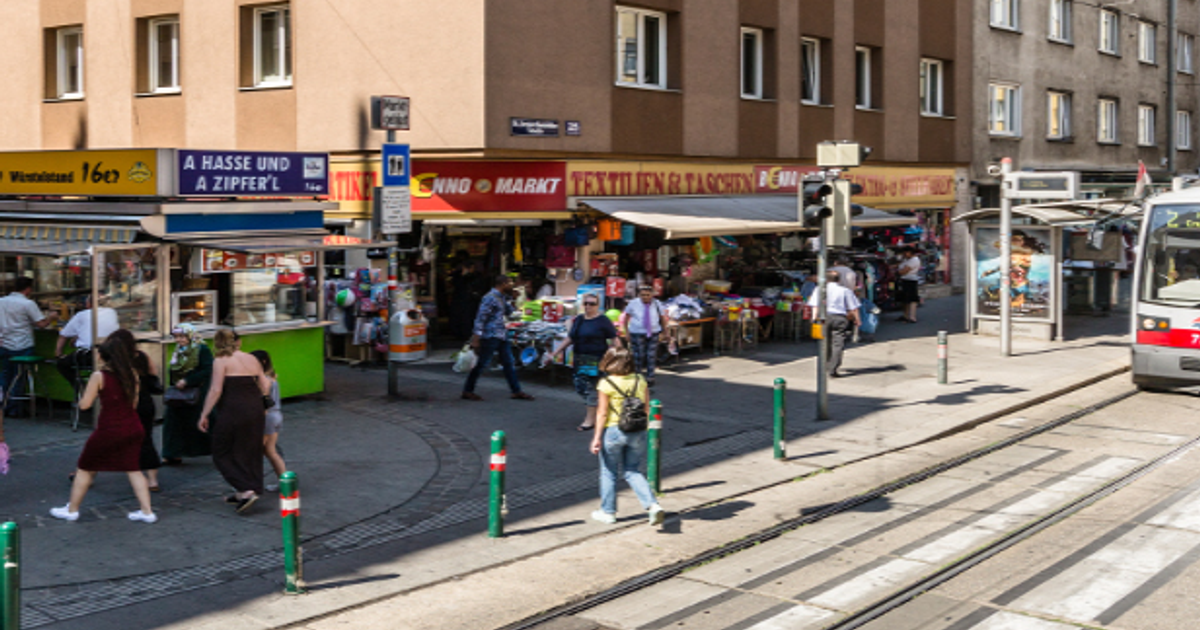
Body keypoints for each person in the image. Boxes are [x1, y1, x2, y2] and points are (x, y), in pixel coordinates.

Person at [50, 335, 157, 524]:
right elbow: (133, 404)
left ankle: (72, 509)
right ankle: (147, 511)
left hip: (109, 428)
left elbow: (85, 405)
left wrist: (85, 393)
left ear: (103, 356)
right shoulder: (132, 374)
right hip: (133, 426)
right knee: (134, 469)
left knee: (84, 467)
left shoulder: (99, 376)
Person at [589, 347, 664, 527]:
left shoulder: (606, 383)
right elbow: (646, 408)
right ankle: (652, 505)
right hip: (637, 430)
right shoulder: (640, 379)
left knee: (609, 472)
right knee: (632, 470)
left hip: (614, 430)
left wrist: (596, 437)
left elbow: (601, 413)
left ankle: (608, 512)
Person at [199, 330, 271, 513]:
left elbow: (216, 389)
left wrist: (204, 414)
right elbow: (266, 385)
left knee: (220, 450)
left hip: (232, 410)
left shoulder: (220, 361)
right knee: (250, 449)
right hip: (255, 408)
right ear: (237, 342)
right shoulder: (252, 359)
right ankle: (248, 489)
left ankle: (245, 490)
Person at [552, 294, 620, 432]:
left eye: (592, 304)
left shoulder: (603, 321)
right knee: (580, 386)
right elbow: (570, 338)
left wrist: (618, 356)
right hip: (580, 359)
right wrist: (555, 352)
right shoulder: (579, 320)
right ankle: (602, 410)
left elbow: (615, 339)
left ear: (597, 305)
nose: (588, 306)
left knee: (591, 389)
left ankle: (590, 420)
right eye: (586, 304)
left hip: (597, 359)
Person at [462, 274, 535, 401]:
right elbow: (480, 319)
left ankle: (516, 390)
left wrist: (513, 299)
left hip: (501, 334)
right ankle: (468, 390)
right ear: (503, 284)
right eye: (510, 283)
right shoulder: (490, 298)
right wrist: (476, 337)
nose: (512, 285)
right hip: (490, 335)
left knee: (508, 362)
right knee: (482, 363)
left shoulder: (501, 298)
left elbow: (510, 312)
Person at [109, 329, 163, 492]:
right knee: (146, 438)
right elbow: (153, 375)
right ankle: (153, 480)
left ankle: (86, 471)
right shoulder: (142, 356)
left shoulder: (116, 362)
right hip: (146, 403)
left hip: (127, 404)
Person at [0, 277, 57, 416]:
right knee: (19, 376)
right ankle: (14, 409)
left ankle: (3, 406)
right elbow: (41, 324)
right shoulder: (28, 304)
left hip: (4, 343)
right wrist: (52, 317)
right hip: (22, 344)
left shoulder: (1, 301)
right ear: (28, 289)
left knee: (6, 376)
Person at [160, 324, 214, 465]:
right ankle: (172, 453)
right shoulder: (179, 350)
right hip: (179, 394)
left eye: (182, 336)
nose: (179, 340)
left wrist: (188, 380)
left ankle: (213, 449)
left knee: (197, 422)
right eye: (176, 337)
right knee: (173, 423)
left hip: (196, 393)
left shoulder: (201, 349)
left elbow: (208, 369)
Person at [55, 295, 120, 391]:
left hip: (88, 356)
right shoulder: (112, 312)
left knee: (61, 364)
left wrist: (58, 353)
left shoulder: (81, 315)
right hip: (113, 355)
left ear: (89, 304)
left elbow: (63, 336)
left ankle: (82, 389)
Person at [807, 270, 861, 378]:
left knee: (825, 341)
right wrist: (857, 319)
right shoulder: (845, 290)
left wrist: (813, 318)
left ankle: (826, 364)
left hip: (823, 317)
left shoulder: (819, 289)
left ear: (826, 279)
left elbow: (815, 305)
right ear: (839, 280)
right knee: (838, 343)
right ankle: (833, 368)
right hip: (840, 317)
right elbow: (853, 307)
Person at [618, 285, 670, 386]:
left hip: (653, 332)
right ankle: (638, 376)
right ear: (639, 295)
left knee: (651, 356)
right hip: (637, 333)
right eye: (643, 295)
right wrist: (626, 332)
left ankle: (650, 377)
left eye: (647, 295)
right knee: (639, 355)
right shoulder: (633, 303)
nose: (645, 297)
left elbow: (662, 318)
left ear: (652, 295)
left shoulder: (657, 304)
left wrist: (666, 332)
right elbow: (625, 318)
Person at [251, 349, 287, 490]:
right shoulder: (271, 378)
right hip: (276, 415)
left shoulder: (263, 380)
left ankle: (252, 485)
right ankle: (284, 483)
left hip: (267, 418)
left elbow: (262, 402)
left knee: (257, 452)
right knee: (270, 451)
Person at [897, 248, 922, 323]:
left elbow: (904, 271)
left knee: (911, 298)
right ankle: (906, 315)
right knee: (905, 299)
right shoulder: (907, 259)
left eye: (906, 252)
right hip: (905, 280)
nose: (904, 254)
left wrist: (897, 272)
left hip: (910, 280)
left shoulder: (914, 260)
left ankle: (912, 317)